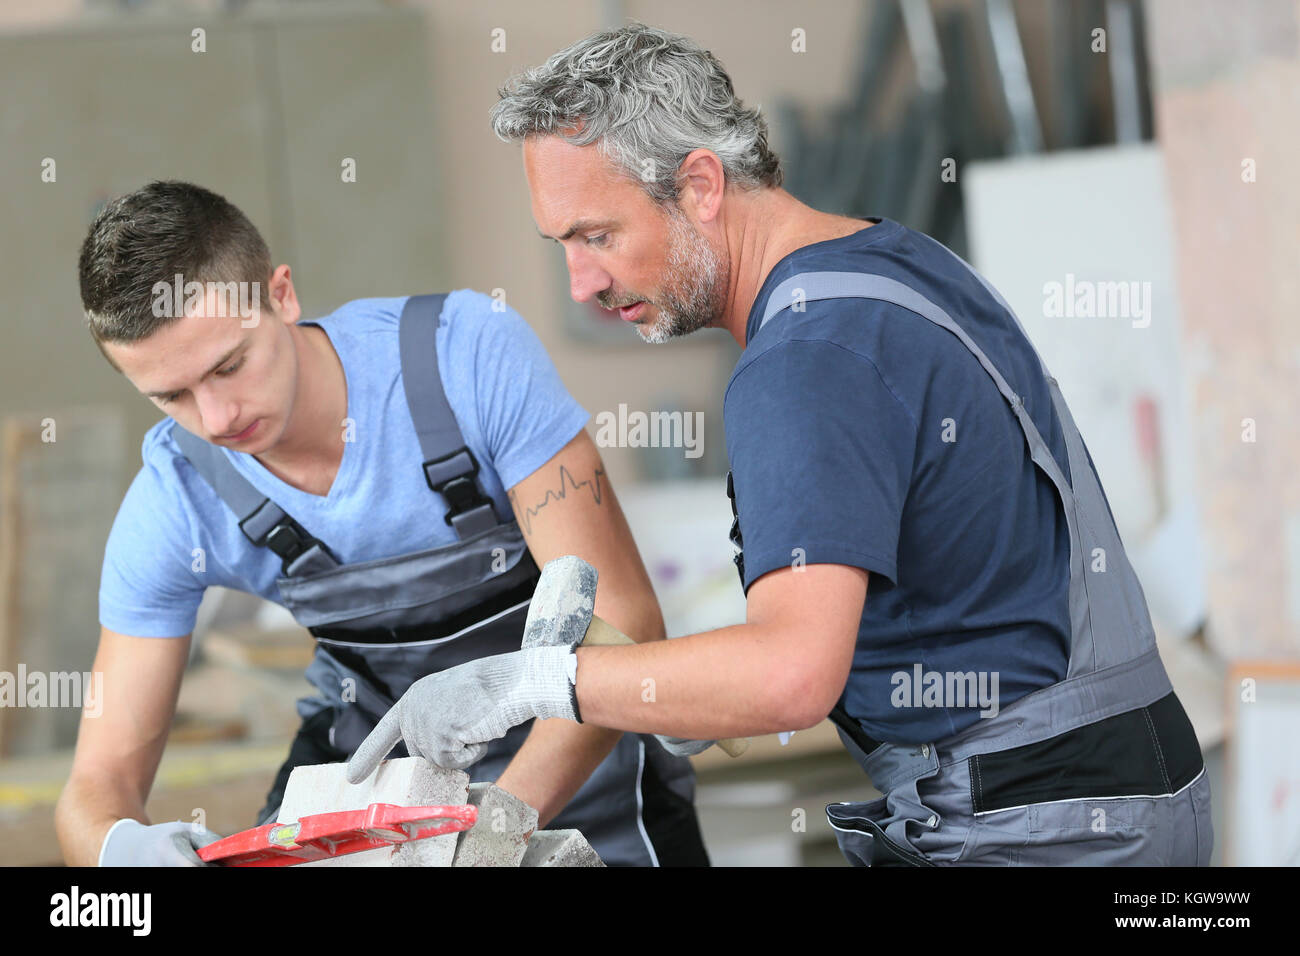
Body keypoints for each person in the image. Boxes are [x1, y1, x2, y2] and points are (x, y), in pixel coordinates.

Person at [347, 24, 1213, 866]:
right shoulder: (895, 262)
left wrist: (528, 682)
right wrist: (667, 683)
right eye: (562, 245)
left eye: (596, 236)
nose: (582, 284)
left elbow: (792, 676)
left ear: (700, 185)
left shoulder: (804, 360)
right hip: (1118, 790)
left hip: (1039, 826)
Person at [54, 179, 708, 867]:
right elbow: (98, 784)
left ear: (281, 296)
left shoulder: (465, 358)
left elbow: (626, 621)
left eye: (231, 365)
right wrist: (122, 849)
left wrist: (490, 837)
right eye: (172, 396)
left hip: (587, 766)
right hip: (373, 804)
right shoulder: (176, 497)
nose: (216, 419)